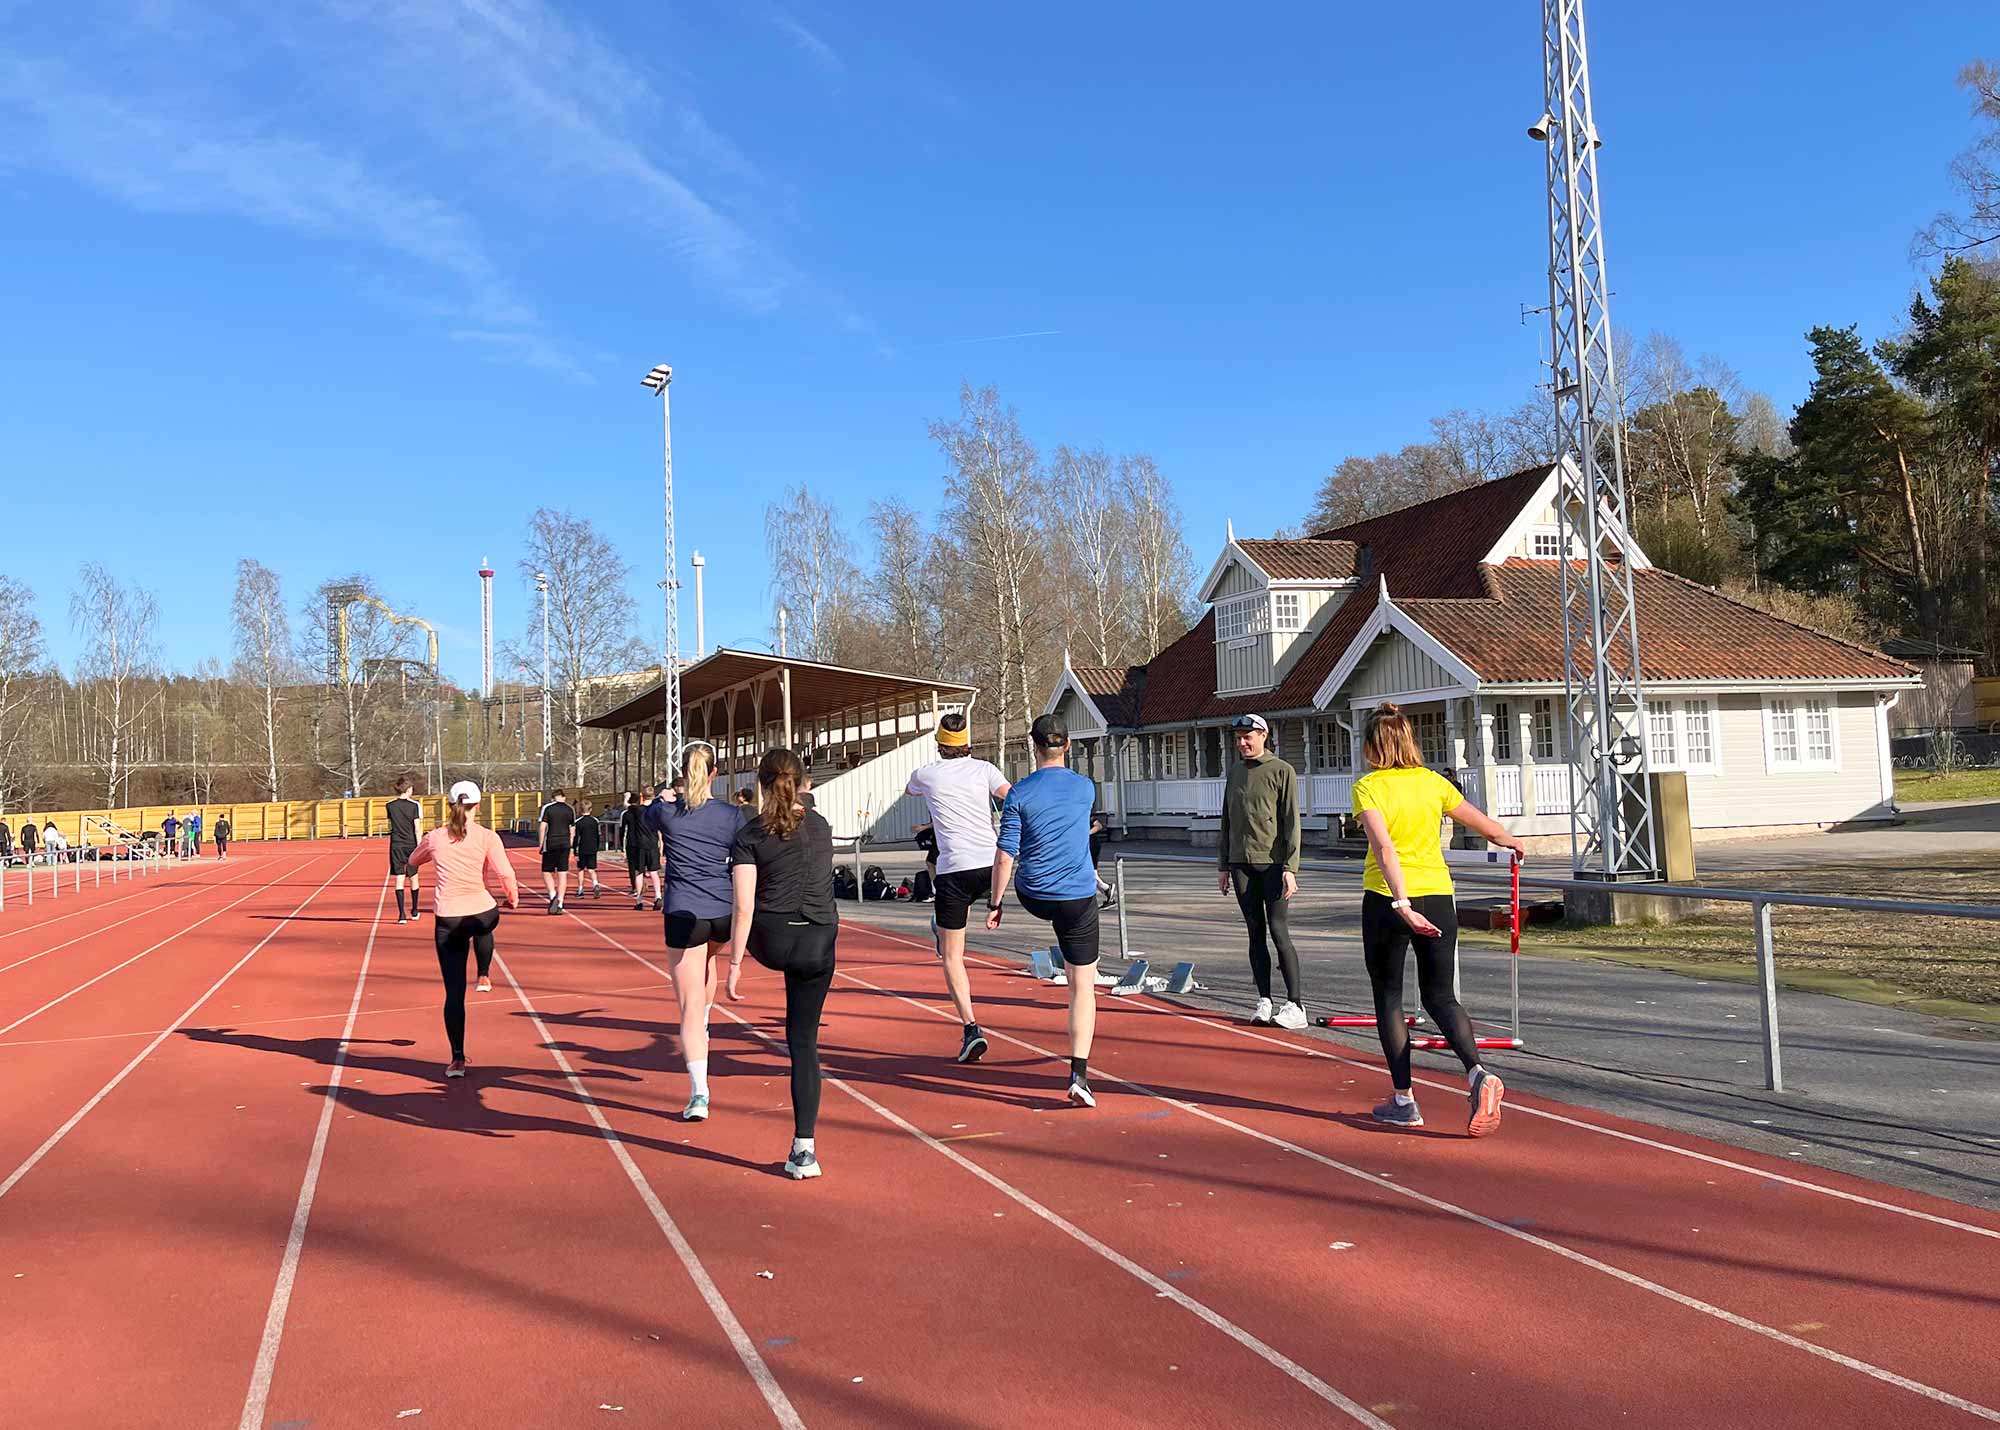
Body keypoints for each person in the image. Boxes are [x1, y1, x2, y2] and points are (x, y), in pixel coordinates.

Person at [1352, 702, 1524, 1137]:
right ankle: (1478, 1074)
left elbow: (1385, 849)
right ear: (1410, 741)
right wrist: (1511, 842)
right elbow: (1484, 825)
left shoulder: (1369, 787)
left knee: (1389, 997)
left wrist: (1401, 901)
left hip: (1388, 899)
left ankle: (1404, 1100)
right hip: (1439, 896)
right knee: (1440, 997)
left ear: (1372, 746)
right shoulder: (1434, 784)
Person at [726, 748, 838, 1180]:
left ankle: (698, 946)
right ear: (804, 782)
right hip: (818, 941)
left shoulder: (750, 835)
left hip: (772, 942)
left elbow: (742, 907)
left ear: (761, 784)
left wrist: (734, 962)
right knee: (803, 1042)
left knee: (726, 915)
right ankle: (804, 1147)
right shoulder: (822, 825)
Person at [987, 714, 1102, 1107]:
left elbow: (1005, 855)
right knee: (1080, 986)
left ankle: (1061, 946)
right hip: (1076, 896)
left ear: (1032, 748)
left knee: (1061, 930)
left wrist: (995, 902)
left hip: (1034, 893)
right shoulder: (1085, 788)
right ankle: (1079, 1075)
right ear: (1067, 746)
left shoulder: (1019, 793)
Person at [904, 711, 1011, 1064]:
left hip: (954, 871)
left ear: (939, 744)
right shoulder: (985, 770)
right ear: (967, 743)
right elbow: (1011, 797)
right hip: (990, 865)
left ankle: (971, 1028)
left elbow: (909, 789)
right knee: (964, 901)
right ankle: (977, 910)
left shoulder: (926, 774)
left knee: (951, 956)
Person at [650, 743, 747, 1122]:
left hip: (683, 912)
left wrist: (663, 797)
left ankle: (700, 1093)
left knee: (687, 1006)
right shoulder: (731, 814)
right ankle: (706, 1014)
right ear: (715, 772)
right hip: (722, 913)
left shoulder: (666, 812)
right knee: (707, 958)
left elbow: (647, 818)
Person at [405, 780, 520, 1080]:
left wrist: (416, 866)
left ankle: (457, 1059)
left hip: (448, 919)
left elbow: (412, 860)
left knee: (453, 993)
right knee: (484, 923)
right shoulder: (487, 836)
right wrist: (512, 899)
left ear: (449, 805)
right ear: (478, 806)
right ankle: (483, 973)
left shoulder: (435, 838)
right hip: (482, 911)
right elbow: (505, 872)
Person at [1217, 713, 1306, 1029]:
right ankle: (1264, 999)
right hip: (1241, 864)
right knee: (1255, 932)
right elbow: (1227, 821)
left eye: (1248, 737)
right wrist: (1224, 864)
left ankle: (1295, 1003)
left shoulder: (1282, 771)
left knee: (1278, 930)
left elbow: (1291, 823)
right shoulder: (1235, 773)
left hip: (1273, 865)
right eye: (1238, 738)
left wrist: (1290, 867)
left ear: (1263, 736)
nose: (1242, 743)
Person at [386, 776, 425, 924]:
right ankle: (414, 910)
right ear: (408, 790)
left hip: (396, 845)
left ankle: (401, 914)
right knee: (414, 877)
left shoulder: (390, 806)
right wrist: (420, 846)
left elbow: (392, 824)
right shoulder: (414, 806)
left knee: (399, 878)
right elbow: (417, 828)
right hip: (411, 845)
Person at [620, 791, 662, 909]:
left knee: (639, 873)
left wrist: (626, 798)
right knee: (654, 873)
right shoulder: (657, 810)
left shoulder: (638, 810)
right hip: (653, 844)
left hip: (640, 845)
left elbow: (629, 807)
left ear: (642, 797)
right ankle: (658, 896)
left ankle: (639, 901)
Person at [538, 789, 576, 914]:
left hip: (551, 843)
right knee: (562, 873)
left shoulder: (547, 808)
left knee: (547, 871)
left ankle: (552, 895)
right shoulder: (570, 809)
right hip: (564, 843)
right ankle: (560, 902)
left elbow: (543, 827)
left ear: (553, 798)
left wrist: (541, 844)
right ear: (563, 797)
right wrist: (570, 844)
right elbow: (572, 829)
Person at [573, 799, 604, 897]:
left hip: (582, 848)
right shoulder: (595, 821)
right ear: (590, 809)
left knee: (581, 869)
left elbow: (576, 837)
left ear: (580, 810)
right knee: (591, 869)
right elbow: (598, 835)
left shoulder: (578, 822)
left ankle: (580, 890)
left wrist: (575, 850)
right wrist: (597, 847)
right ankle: (595, 884)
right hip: (592, 848)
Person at [1088, 812, 1116, 908]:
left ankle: (1107, 888)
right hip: (1084, 846)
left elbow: (1098, 826)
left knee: (1089, 873)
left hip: (1091, 845)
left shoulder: (1085, 813)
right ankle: (1108, 892)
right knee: (1091, 873)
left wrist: (1087, 834)